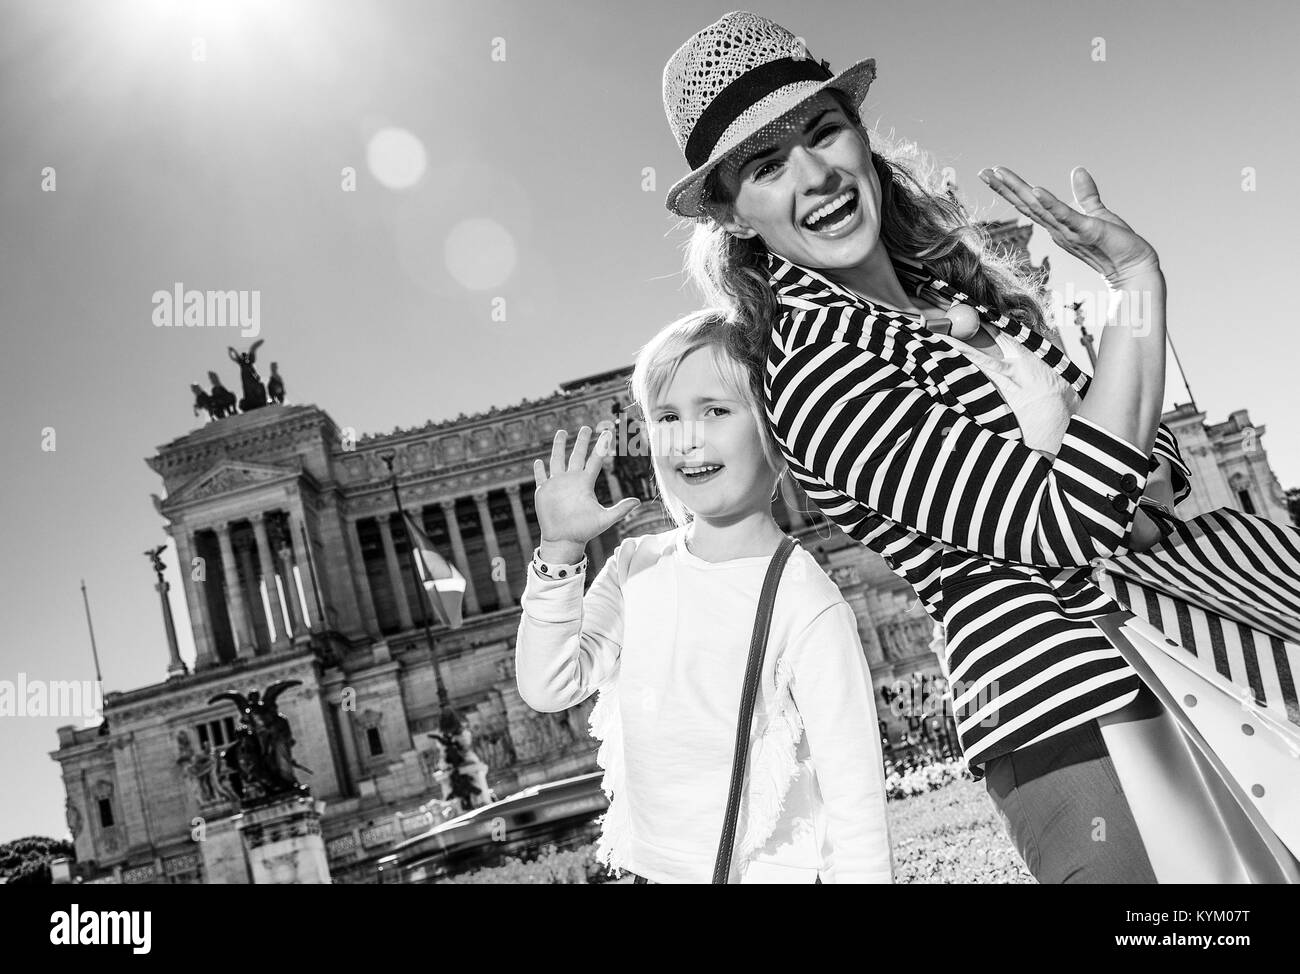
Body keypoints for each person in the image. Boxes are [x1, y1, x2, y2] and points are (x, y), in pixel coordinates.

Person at [659, 11, 1259, 883]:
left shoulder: (949, 294)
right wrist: (1135, 287)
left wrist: (1122, 454)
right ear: (734, 215)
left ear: (861, 137)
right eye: (767, 165)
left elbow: (1144, 449)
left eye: (825, 131)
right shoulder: (815, 369)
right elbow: (1078, 513)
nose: (816, 174)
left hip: (1175, 658)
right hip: (1063, 710)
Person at [514, 309, 893, 884]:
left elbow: (854, 793)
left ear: (776, 428)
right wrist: (560, 553)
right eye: (666, 417)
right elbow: (549, 686)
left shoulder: (804, 598)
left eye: (715, 410)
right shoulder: (634, 568)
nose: (687, 437)